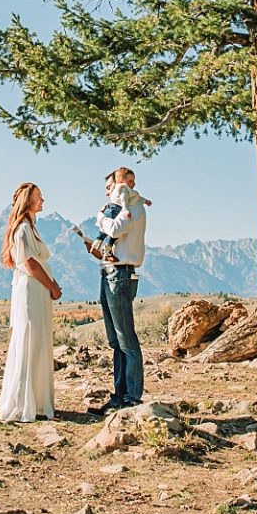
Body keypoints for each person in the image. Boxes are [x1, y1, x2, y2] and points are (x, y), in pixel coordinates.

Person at [85, 166, 147, 415]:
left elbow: (115, 229)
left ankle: (132, 397)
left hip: (121, 275)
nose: (108, 193)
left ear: (124, 185)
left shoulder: (134, 208)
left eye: (110, 187)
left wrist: (99, 217)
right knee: (116, 341)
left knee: (126, 338)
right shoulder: (124, 208)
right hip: (110, 272)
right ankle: (119, 397)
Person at [0, 181, 62, 423]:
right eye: (39, 196)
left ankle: (37, 401)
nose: (43, 200)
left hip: (37, 291)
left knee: (38, 341)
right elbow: (31, 264)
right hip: (31, 291)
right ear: (28, 200)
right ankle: (23, 402)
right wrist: (52, 286)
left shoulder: (30, 228)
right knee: (29, 341)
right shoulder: (22, 229)